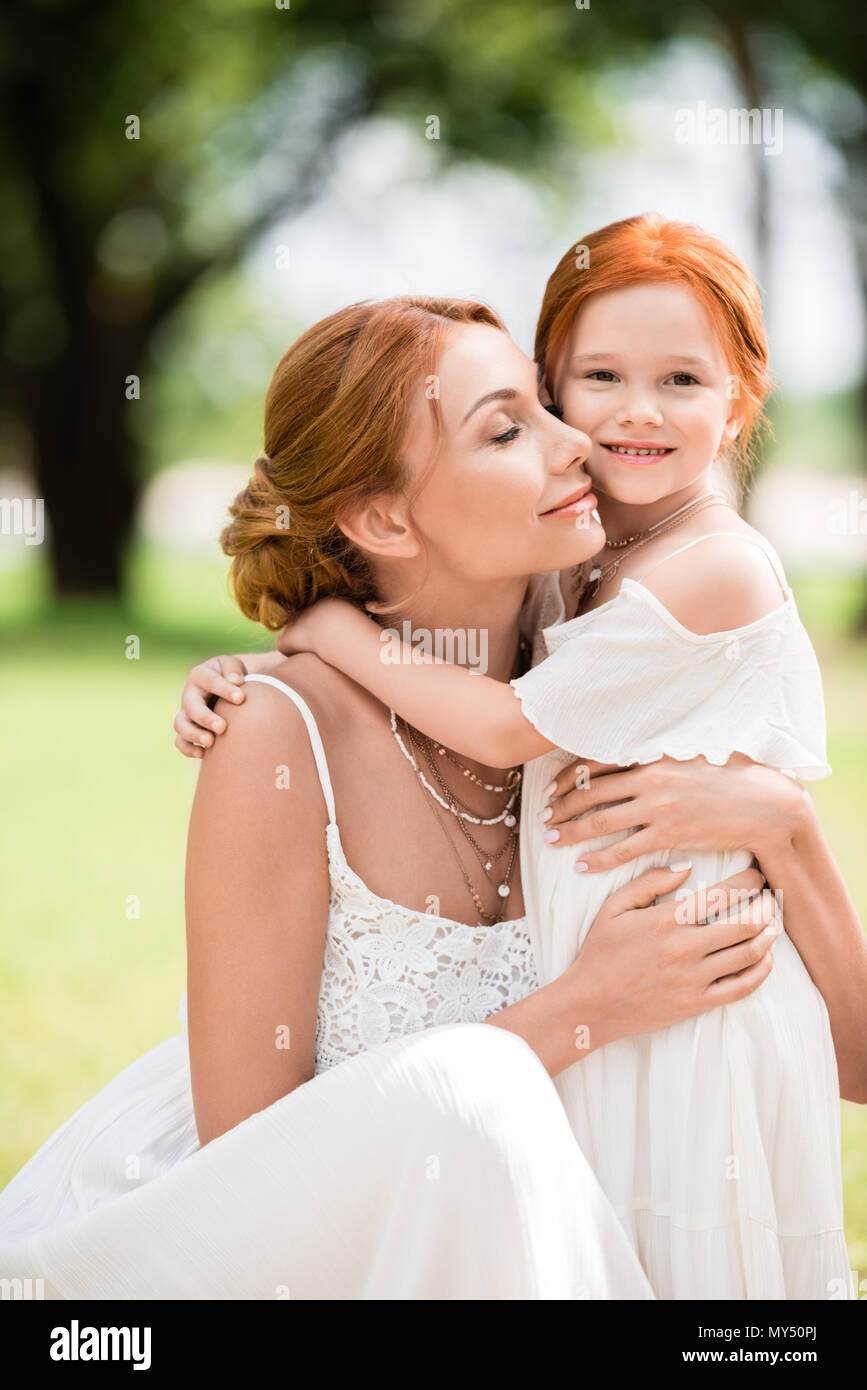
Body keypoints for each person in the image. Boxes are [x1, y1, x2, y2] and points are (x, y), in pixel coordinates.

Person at [0, 296, 838, 1301]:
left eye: (545, 403)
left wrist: (786, 821)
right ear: (383, 516)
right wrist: (582, 1009)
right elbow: (250, 1176)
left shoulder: (587, 681)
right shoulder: (273, 734)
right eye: (507, 428)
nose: (582, 444)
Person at [265, 222, 867, 1299]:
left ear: (737, 406)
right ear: (554, 392)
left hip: (705, 1022)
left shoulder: (712, 568)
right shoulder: (585, 566)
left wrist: (328, 630)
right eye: (600, 377)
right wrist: (256, 667)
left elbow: (501, 726)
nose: (638, 409)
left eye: (682, 379)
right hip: (612, 1018)